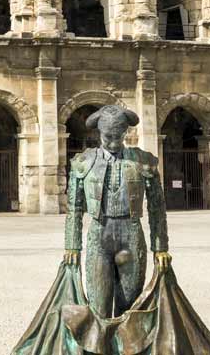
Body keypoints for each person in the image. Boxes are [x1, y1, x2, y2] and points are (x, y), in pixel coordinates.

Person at [64, 105, 168, 319]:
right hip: (99, 236)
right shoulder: (83, 162)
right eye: (108, 136)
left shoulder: (143, 161)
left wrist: (160, 247)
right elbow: (74, 207)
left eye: (118, 136)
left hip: (131, 235)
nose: (113, 142)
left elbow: (157, 208)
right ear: (99, 133)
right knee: (98, 308)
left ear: (126, 133)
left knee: (129, 308)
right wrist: (72, 245)